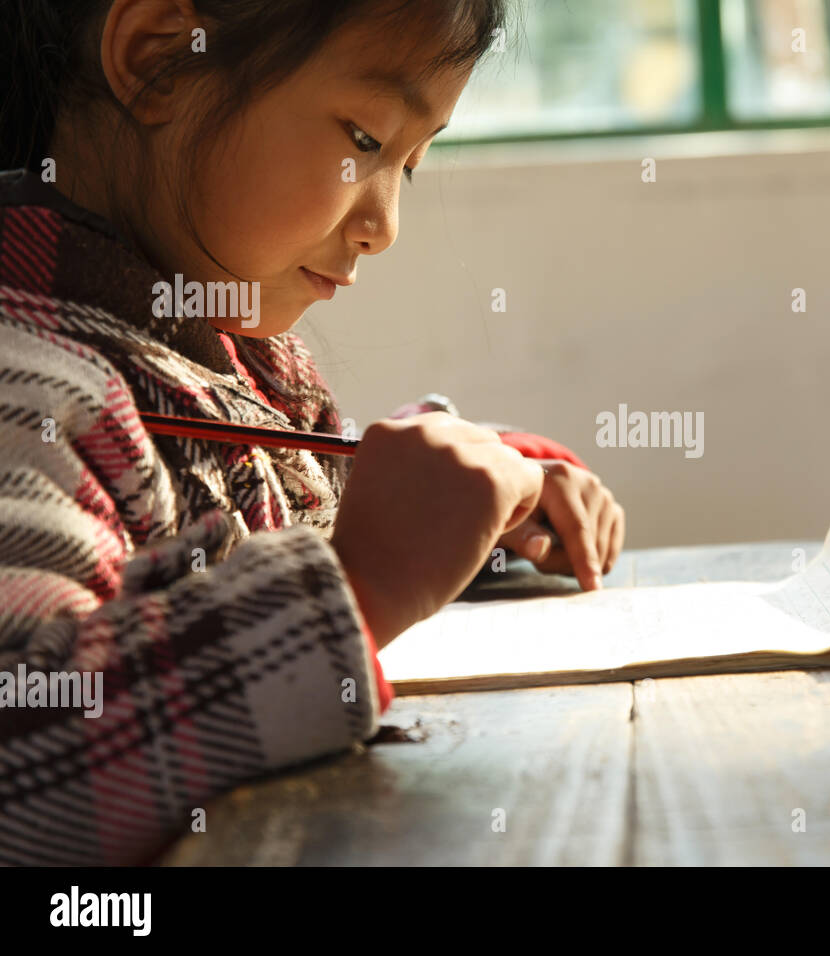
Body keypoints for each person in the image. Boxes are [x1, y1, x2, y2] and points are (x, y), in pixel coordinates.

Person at [0, 0, 624, 865]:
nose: (384, 226)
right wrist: (363, 584)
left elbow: (286, 546)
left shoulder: (237, 362)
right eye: (366, 141)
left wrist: (483, 520)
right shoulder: (28, 393)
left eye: (409, 164)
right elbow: (24, 770)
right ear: (158, 60)